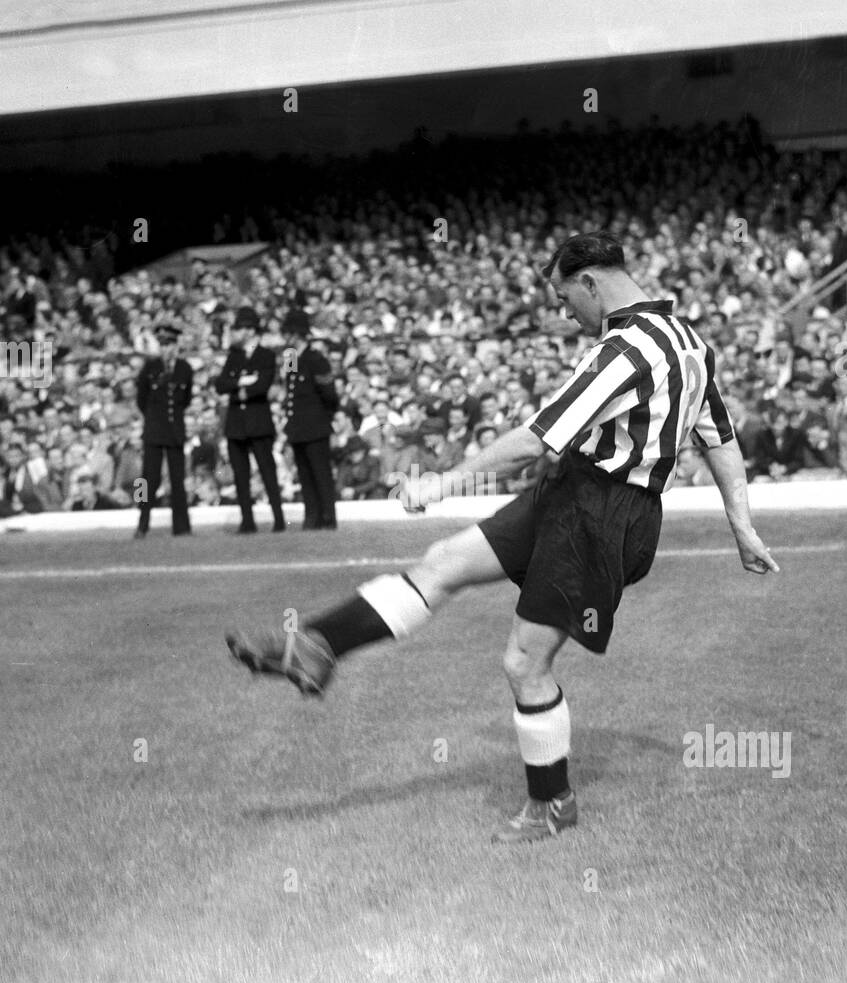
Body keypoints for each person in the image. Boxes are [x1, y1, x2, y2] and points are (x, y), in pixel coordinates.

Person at [227, 231, 779, 844]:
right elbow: (720, 439)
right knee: (444, 563)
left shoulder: (625, 349)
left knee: (524, 661)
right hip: (575, 493)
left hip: (602, 515)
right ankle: (318, 646)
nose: (565, 313)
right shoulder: (689, 342)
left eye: (566, 298)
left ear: (590, 282)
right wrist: (744, 527)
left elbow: (535, 440)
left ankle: (553, 803)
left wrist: (444, 483)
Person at [214, 306, 286, 534]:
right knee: (240, 474)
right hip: (237, 423)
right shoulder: (234, 356)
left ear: (249, 330)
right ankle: (247, 520)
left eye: (239, 329)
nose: (235, 333)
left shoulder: (265, 355)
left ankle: (279, 518)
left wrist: (239, 385)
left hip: (257, 421)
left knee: (267, 471)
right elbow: (220, 384)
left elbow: (263, 385)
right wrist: (244, 383)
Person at [278, 309, 339, 530]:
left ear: (297, 334)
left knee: (321, 473)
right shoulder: (291, 357)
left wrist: (323, 417)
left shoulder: (316, 359)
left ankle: (328, 518)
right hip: (298, 426)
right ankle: (312, 516)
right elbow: (289, 390)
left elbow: (330, 395)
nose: (286, 339)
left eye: (289, 334)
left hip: (315, 425)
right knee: (304, 474)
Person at [134, 321, 194, 537]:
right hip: (154, 430)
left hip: (175, 430)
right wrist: (153, 418)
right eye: (163, 344)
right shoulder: (150, 368)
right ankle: (142, 523)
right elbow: (142, 400)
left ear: (176, 346)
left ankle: (182, 526)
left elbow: (184, 400)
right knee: (147, 479)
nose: (166, 348)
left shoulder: (185, 369)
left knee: (178, 480)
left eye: (170, 344)